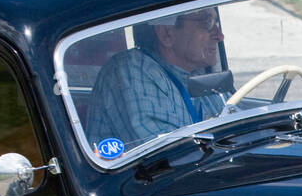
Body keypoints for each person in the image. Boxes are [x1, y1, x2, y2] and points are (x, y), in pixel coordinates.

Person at [86, 8, 230, 149]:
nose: (220, 35)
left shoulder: (197, 74)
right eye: (207, 22)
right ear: (166, 34)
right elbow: (166, 155)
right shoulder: (133, 69)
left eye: (216, 22)